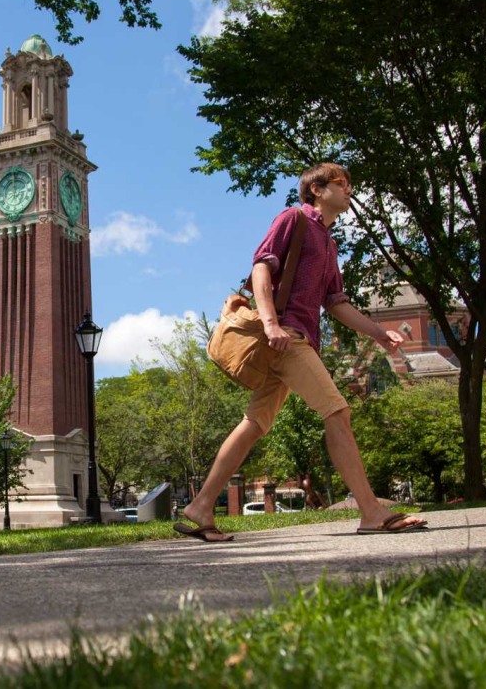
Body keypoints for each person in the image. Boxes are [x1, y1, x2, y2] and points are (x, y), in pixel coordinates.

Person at [175, 163, 428, 542]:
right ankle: (371, 511)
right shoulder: (292, 218)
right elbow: (261, 270)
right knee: (337, 411)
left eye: (349, 184)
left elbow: (336, 303)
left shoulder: (328, 242)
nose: (349, 190)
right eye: (341, 183)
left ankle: (201, 505)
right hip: (285, 338)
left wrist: (379, 333)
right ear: (316, 189)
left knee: (253, 425)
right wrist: (272, 323)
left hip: (294, 341)